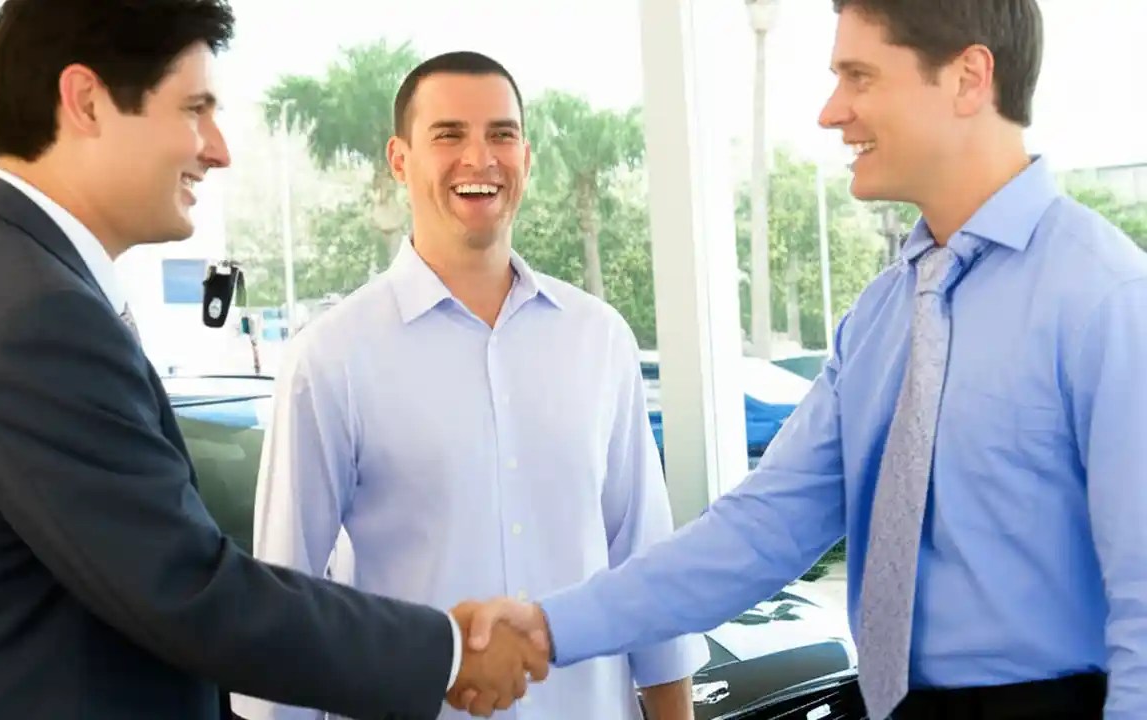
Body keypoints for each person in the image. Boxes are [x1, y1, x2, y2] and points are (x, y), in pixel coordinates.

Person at [463, 1, 1147, 719]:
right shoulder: (882, 317)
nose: (830, 112)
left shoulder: (1107, 300)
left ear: (969, 78)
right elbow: (760, 530)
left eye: (859, 76)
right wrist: (547, 626)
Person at [0, 2, 546, 719]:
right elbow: (189, 591)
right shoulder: (31, 316)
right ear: (86, 101)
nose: (218, 148)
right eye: (195, 109)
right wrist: (445, 652)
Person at [232, 51, 707, 720]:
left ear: (527, 156)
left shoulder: (599, 339)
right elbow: (285, 604)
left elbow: (644, 564)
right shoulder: (331, 357)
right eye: (449, 135)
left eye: (502, 134)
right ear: (400, 160)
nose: (479, 158)